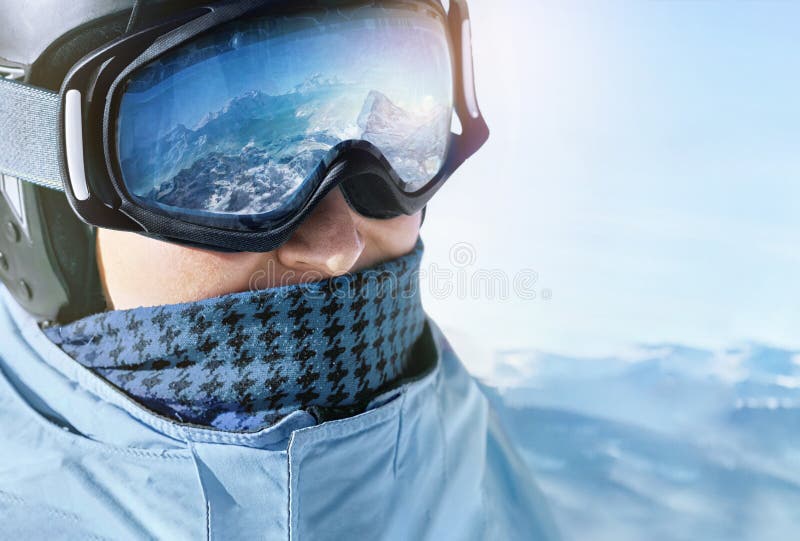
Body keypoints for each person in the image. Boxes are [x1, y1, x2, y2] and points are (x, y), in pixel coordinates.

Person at [0, 1, 558, 538]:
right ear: (39, 219)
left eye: (395, 142)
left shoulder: (508, 452)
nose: (338, 247)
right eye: (216, 170)